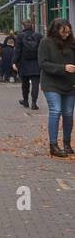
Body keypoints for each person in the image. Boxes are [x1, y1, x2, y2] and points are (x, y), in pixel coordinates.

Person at [38, 18, 75, 157]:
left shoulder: (72, 43)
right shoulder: (45, 42)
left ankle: (67, 144)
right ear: (56, 30)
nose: (66, 35)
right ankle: (53, 145)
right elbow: (43, 64)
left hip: (70, 84)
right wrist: (63, 68)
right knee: (56, 110)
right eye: (63, 32)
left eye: (68, 32)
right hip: (51, 83)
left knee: (68, 113)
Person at [16, 20, 42, 110]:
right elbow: (42, 50)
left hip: (24, 63)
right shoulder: (39, 36)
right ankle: (34, 103)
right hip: (36, 63)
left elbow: (17, 51)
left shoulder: (20, 36)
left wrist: (14, 62)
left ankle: (26, 101)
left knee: (25, 84)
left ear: (23, 27)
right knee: (35, 84)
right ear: (32, 26)